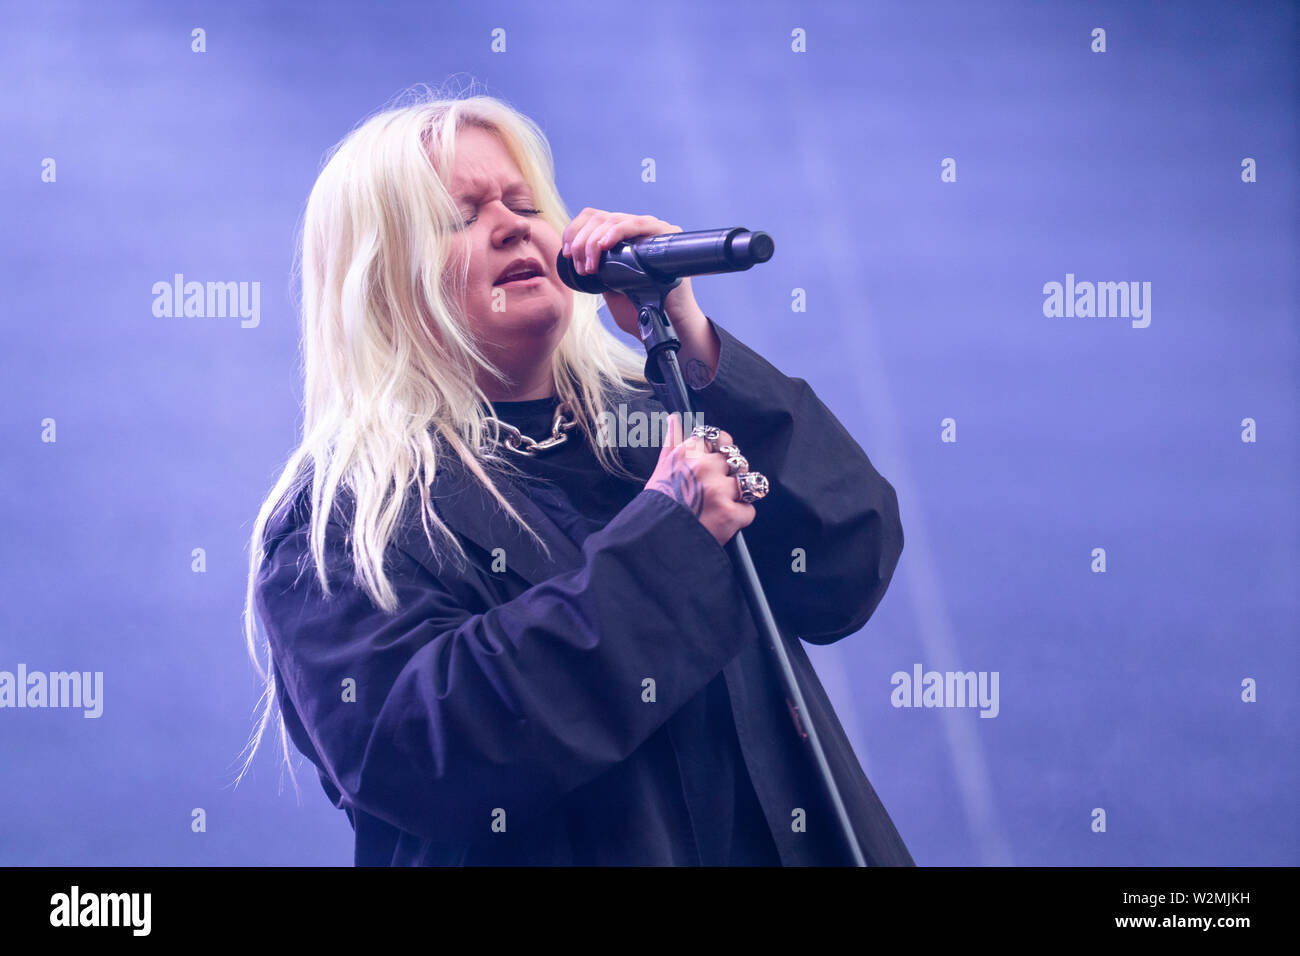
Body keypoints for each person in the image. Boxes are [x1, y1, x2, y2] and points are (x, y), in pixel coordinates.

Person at [238, 88, 914, 866]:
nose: (511, 225)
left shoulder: (654, 419)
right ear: (380, 281)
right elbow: (424, 752)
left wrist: (692, 344)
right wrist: (668, 539)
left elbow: (847, 561)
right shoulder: (347, 517)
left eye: (524, 203)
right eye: (461, 217)